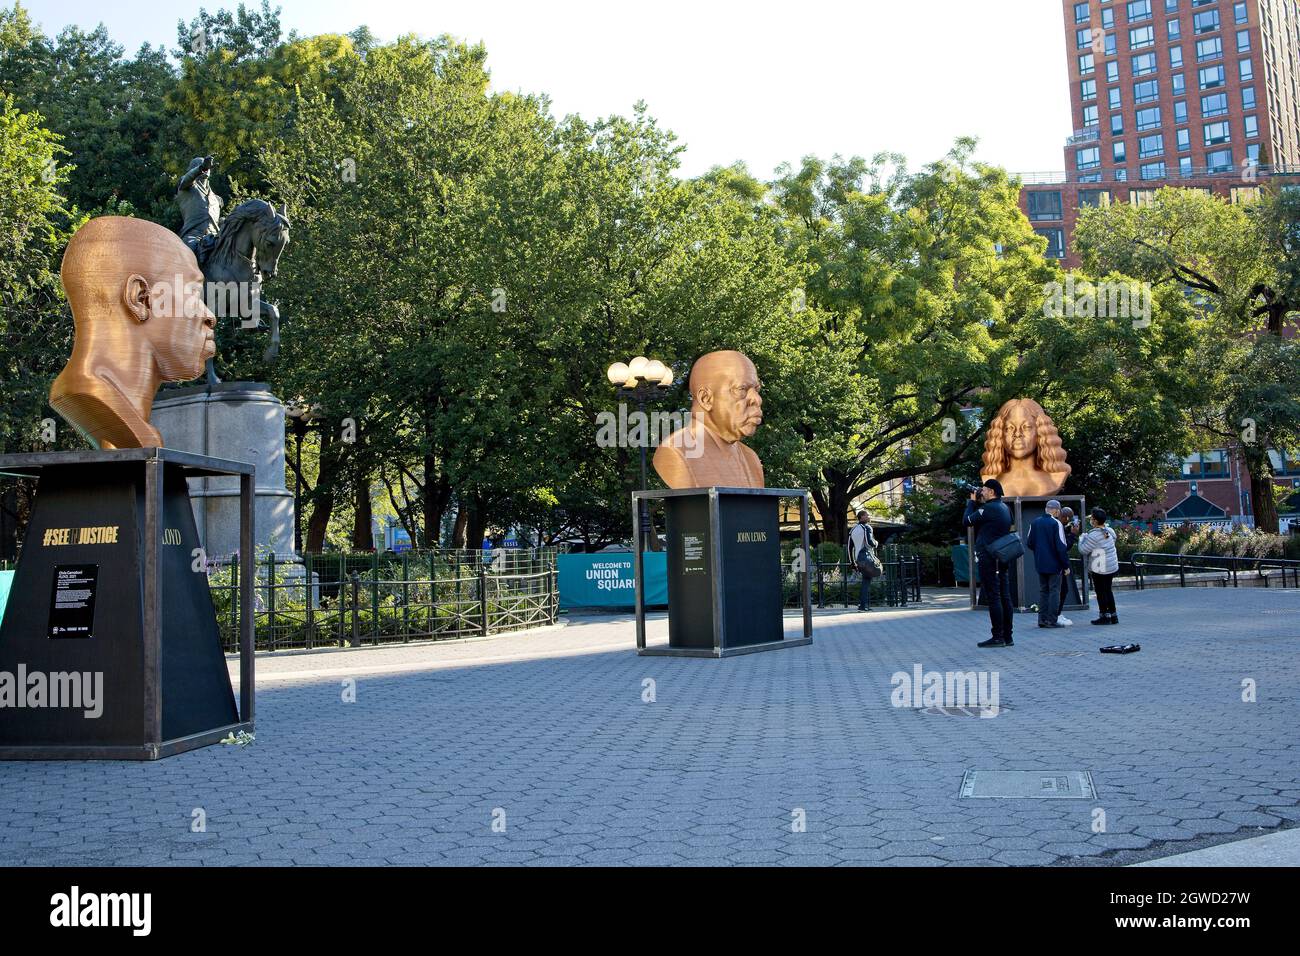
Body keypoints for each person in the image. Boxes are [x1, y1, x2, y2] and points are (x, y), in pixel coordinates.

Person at [653, 350, 765, 489]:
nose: (757, 399)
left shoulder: (751, 458)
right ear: (705, 399)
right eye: (741, 389)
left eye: (757, 390)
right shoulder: (676, 450)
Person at [963, 478, 1014, 648]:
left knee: (994, 596)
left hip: (989, 557)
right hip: (1003, 556)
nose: (981, 492)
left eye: (984, 489)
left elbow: (967, 521)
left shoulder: (989, 508)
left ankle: (997, 636)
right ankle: (1008, 636)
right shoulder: (1004, 508)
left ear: (992, 492)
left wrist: (971, 503)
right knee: (1005, 596)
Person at [1027, 499, 1070, 629]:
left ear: (1046, 509)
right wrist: (1065, 565)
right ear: (1056, 510)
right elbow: (1061, 547)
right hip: (1055, 564)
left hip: (1040, 562)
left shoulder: (1034, 523)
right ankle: (1051, 620)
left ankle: (1041, 619)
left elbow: (1029, 542)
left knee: (1043, 591)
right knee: (1054, 591)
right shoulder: (1056, 523)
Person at [1079, 507, 1120, 625]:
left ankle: (1104, 616)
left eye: (1092, 518)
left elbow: (1083, 550)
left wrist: (1082, 539)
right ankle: (1114, 616)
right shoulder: (1110, 530)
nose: (1090, 520)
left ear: (1096, 521)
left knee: (1101, 591)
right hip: (1111, 565)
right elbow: (1112, 541)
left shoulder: (1094, 535)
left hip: (1100, 566)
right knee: (1108, 590)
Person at [848, 510, 879, 611]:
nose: (869, 516)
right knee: (867, 580)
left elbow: (849, 547)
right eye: (867, 515)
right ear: (862, 517)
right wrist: (876, 543)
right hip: (866, 557)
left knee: (865, 580)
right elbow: (870, 543)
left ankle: (863, 605)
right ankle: (863, 605)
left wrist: (852, 562)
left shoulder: (852, 530)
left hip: (858, 559)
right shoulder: (866, 527)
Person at [1057, 507, 1079, 626]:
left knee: (1052, 590)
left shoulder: (1056, 525)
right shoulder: (1058, 527)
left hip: (1047, 563)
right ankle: (1056, 614)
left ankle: (1054, 614)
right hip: (1058, 565)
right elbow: (1064, 547)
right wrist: (1073, 535)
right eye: (1069, 518)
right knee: (1062, 589)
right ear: (1065, 517)